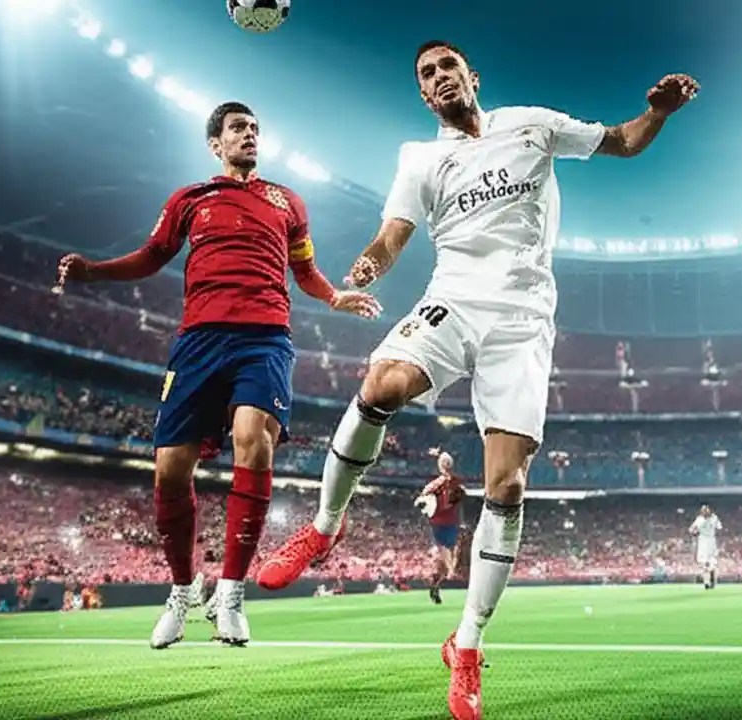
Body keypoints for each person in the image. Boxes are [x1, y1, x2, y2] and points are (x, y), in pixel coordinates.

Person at [257, 40, 698, 719]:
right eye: (426, 73)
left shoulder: (531, 124)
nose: (439, 77)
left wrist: (658, 113)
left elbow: (622, 142)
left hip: (523, 318)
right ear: (422, 93)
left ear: (472, 77)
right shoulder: (420, 157)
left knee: (507, 485)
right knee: (382, 383)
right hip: (454, 299)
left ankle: (465, 644)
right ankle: (324, 525)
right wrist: (371, 263)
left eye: (447, 67)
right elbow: (392, 234)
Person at [55, 101, 380, 648]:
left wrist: (333, 296)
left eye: (255, 128)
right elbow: (152, 255)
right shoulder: (190, 199)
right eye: (238, 128)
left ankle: (230, 593)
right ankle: (183, 590)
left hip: (265, 340)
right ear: (215, 143)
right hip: (199, 342)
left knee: (254, 441)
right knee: (169, 471)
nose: (249, 134)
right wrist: (93, 271)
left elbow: (303, 269)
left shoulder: (288, 202)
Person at [414, 451, 466, 604]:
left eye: (448, 462)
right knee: (445, 553)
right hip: (440, 522)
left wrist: (461, 520)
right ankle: (443, 577)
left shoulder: (456, 483)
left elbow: (458, 503)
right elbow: (422, 498)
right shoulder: (437, 484)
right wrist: (424, 503)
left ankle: (436, 583)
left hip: (451, 523)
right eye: (445, 462)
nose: (447, 465)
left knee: (449, 557)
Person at [688, 504, 723, 589]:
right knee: (705, 563)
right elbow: (691, 529)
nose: (705, 512)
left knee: (709, 562)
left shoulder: (713, 518)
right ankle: (707, 581)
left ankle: (710, 579)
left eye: (706, 510)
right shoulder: (701, 519)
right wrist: (695, 533)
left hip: (709, 541)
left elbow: (719, 527)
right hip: (704, 541)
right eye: (703, 510)